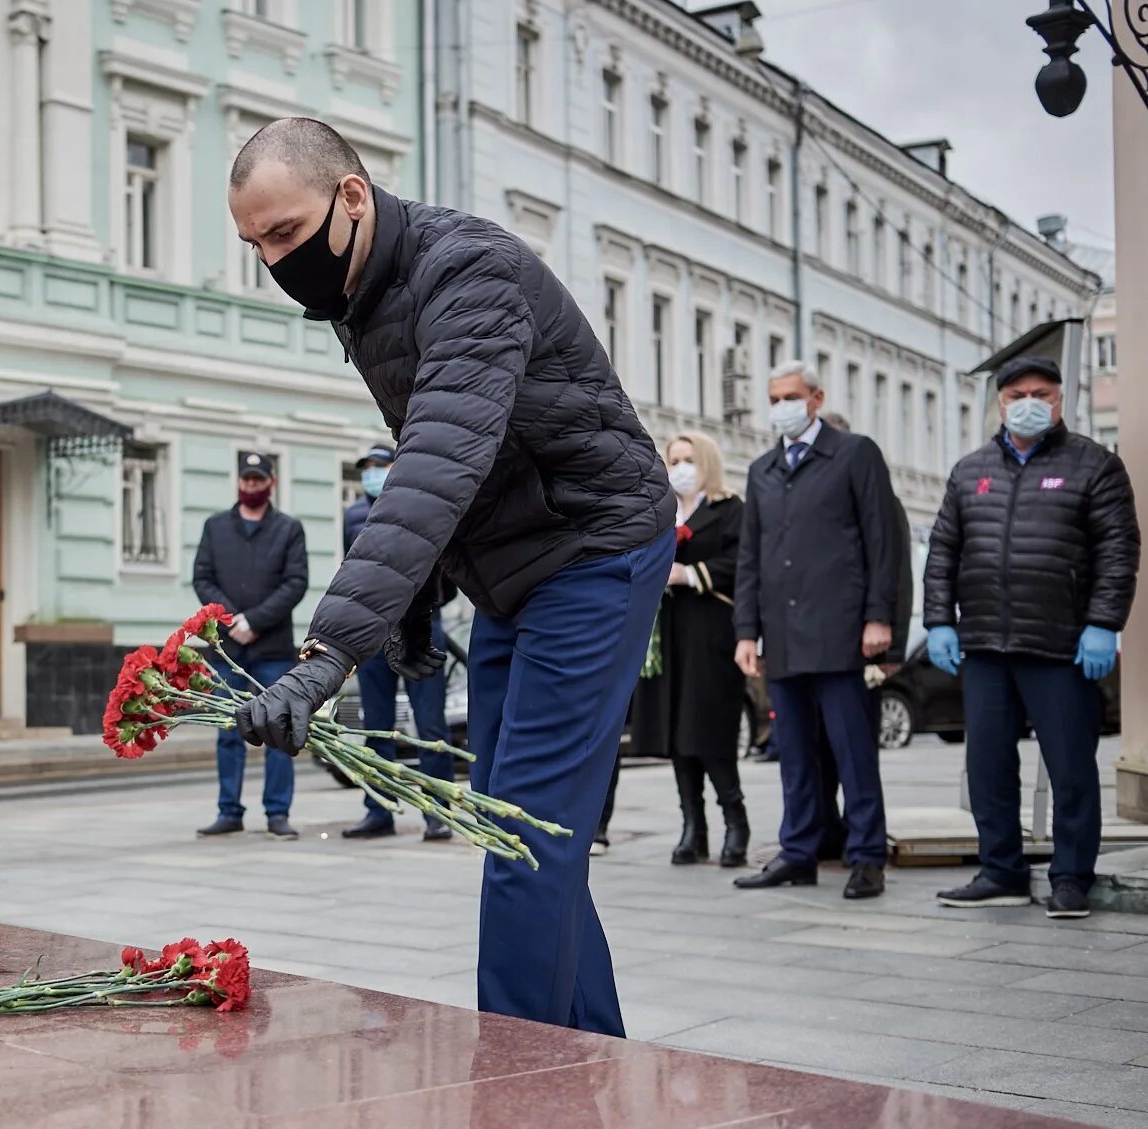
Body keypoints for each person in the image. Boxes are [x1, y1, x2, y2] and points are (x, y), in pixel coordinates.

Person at [226, 117, 672, 1036]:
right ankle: (587, 1057)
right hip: (516, 564)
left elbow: (435, 461)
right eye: (255, 243)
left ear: (351, 195)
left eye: (283, 232)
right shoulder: (364, 291)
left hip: (593, 549)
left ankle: (513, 1084)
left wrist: (325, 656)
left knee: (523, 838)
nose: (274, 261)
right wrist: (416, 608)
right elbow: (455, 456)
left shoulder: (465, 268)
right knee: (520, 833)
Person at [924, 356, 1139, 919]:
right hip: (987, 646)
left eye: (1041, 393)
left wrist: (1103, 624)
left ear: (1059, 399)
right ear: (1000, 402)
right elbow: (944, 551)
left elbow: (1119, 551)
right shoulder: (971, 471)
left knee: (1070, 767)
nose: (1029, 402)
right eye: (1017, 392)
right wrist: (939, 620)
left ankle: (1071, 878)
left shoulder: (1094, 465)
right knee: (989, 765)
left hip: (1061, 646)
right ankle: (1002, 871)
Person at [732, 361, 899, 900]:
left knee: (853, 752)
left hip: (840, 631)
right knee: (796, 754)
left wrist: (879, 617)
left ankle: (867, 854)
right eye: (774, 396)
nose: (781, 405)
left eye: (791, 396)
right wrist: (746, 630)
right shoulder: (762, 470)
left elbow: (881, 542)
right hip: (782, 635)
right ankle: (799, 851)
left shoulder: (854, 454)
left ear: (816, 398)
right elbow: (750, 558)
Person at [630, 432, 750, 868]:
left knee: (710, 730)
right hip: (669, 633)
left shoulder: (729, 509)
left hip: (712, 633)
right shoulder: (662, 512)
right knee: (678, 732)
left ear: (707, 463)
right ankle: (692, 827)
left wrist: (691, 573)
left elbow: (742, 563)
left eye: (688, 459)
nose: (679, 467)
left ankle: (735, 822)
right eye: (673, 459)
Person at [807, 411, 917, 864]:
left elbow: (897, 574)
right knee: (813, 755)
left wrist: (891, 648)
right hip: (807, 648)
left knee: (852, 751)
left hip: (858, 652)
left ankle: (862, 839)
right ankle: (824, 832)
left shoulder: (876, 496)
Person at [191, 451, 309, 841]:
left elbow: (295, 582)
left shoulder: (288, 529)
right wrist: (231, 620)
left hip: (272, 649)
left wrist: (254, 620)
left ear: (271, 483)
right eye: (247, 481)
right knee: (228, 731)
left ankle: (278, 813)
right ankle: (229, 810)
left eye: (259, 481)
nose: (252, 487)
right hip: (228, 649)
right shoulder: (216, 527)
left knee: (278, 730)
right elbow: (203, 578)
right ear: (239, 483)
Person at [340, 443, 455, 842]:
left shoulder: (422, 506)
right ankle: (379, 810)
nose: (372, 473)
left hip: (419, 627)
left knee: (431, 726)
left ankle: (438, 812)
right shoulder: (354, 515)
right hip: (372, 631)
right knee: (376, 726)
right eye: (367, 468)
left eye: (379, 465)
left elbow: (448, 572)